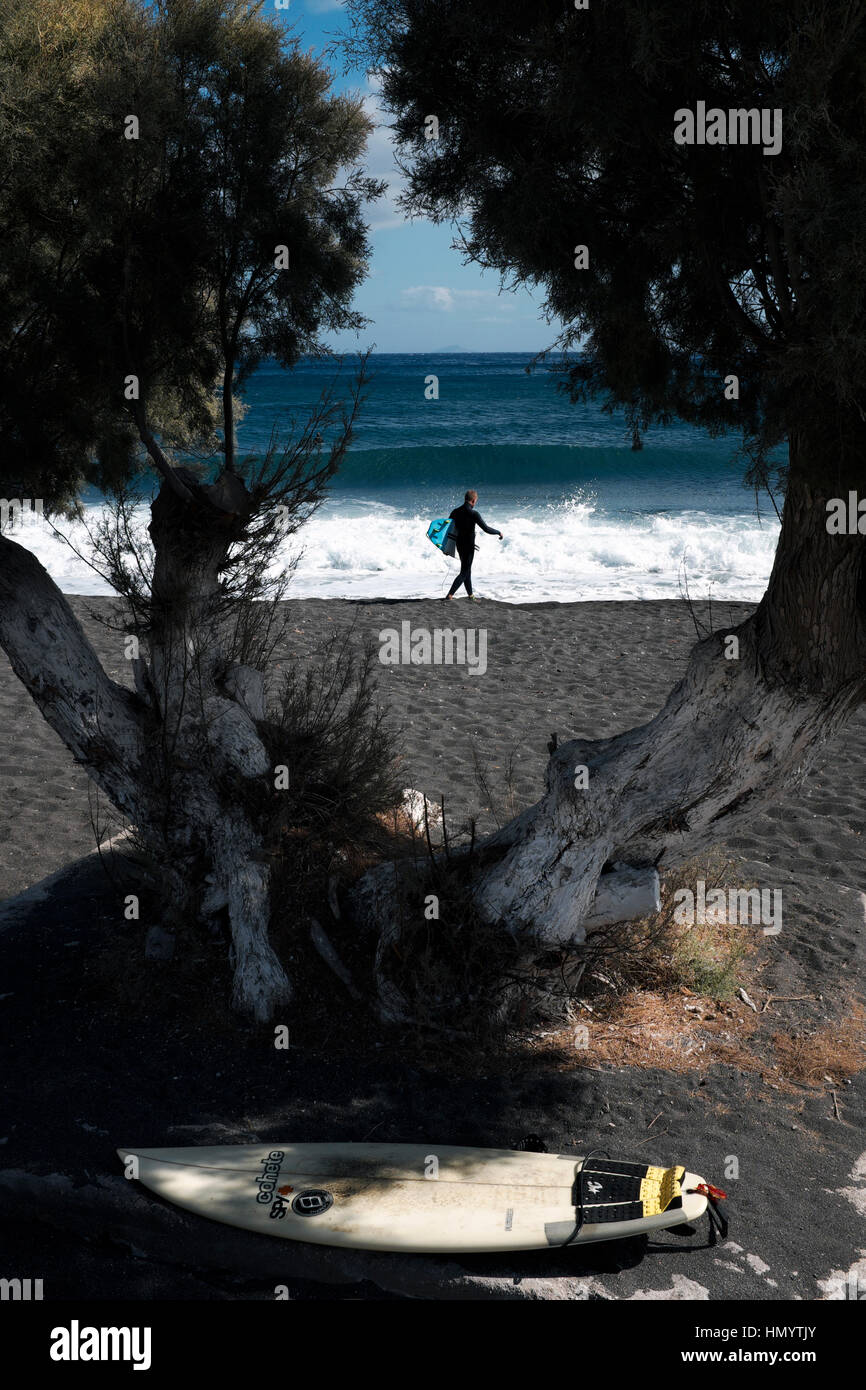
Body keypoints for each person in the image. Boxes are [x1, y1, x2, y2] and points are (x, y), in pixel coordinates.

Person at [445, 489, 503, 599]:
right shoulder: (473, 514)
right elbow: (486, 529)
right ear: (473, 500)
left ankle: (470, 595)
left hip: (459, 544)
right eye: (475, 501)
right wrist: (498, 532)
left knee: (467, 570)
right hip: (469, 546)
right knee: (464, 572)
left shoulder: (455, 512)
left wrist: (446, 547)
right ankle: (450, 595)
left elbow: (448, 529)